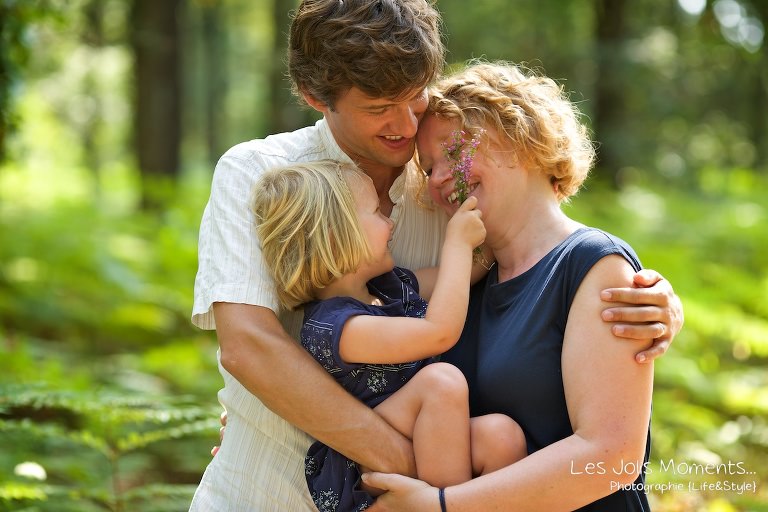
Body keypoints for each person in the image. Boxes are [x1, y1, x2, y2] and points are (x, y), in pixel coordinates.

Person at [190, 1, 683, 509]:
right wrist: (413, 473)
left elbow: (547, 263)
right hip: (265, 491)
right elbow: (249, 346)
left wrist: (652, 299)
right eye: (379, 108)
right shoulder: (261, 174)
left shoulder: (440, 193)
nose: (405, 127)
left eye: (415, 99)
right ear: (316, 97)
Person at [362, 60, 663, 511]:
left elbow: (612, 457)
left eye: (453, 150)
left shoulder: (595, 267)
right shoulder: (462, 285)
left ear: (519, 135)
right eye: (428, 169)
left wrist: (444, 506)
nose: (440, 178)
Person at [250, 160, 525, 511]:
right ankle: (443, 505)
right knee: (440, 382)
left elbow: (464, 273)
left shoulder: (389, 287)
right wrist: (456, 243)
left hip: (424, 435)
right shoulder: (337, 326)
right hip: (362, 464)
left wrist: (490, 218)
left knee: (502, 436)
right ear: (339, 235)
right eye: (376, 213)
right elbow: (439, 333)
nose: (390, 221)